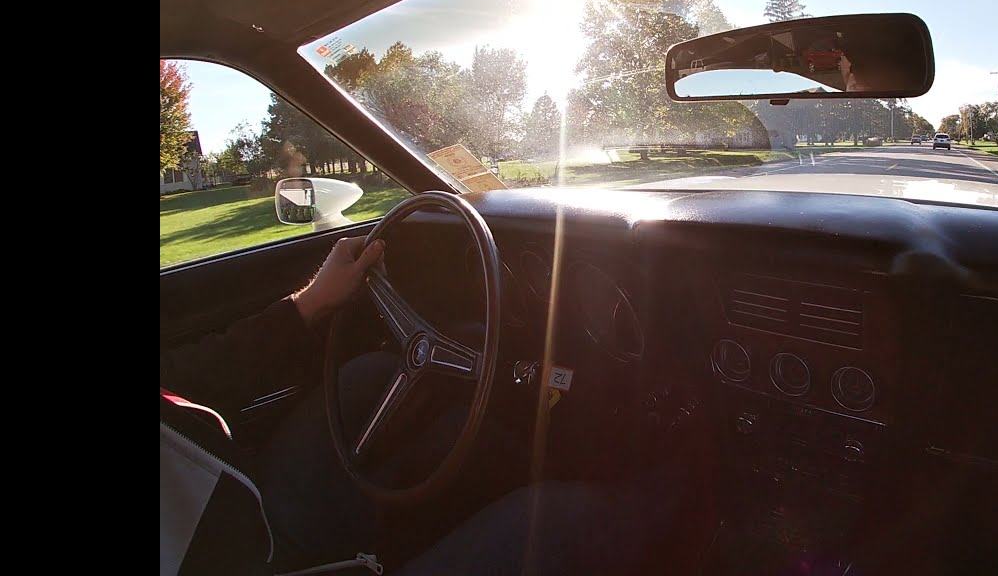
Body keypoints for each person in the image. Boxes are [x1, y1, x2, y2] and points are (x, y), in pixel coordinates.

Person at [161, 236, 694, 576]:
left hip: (228, 497)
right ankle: (692, 490)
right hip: (239, 559)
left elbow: (181, 375)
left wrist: (314, 302)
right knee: (555, 520)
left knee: (373, 377)